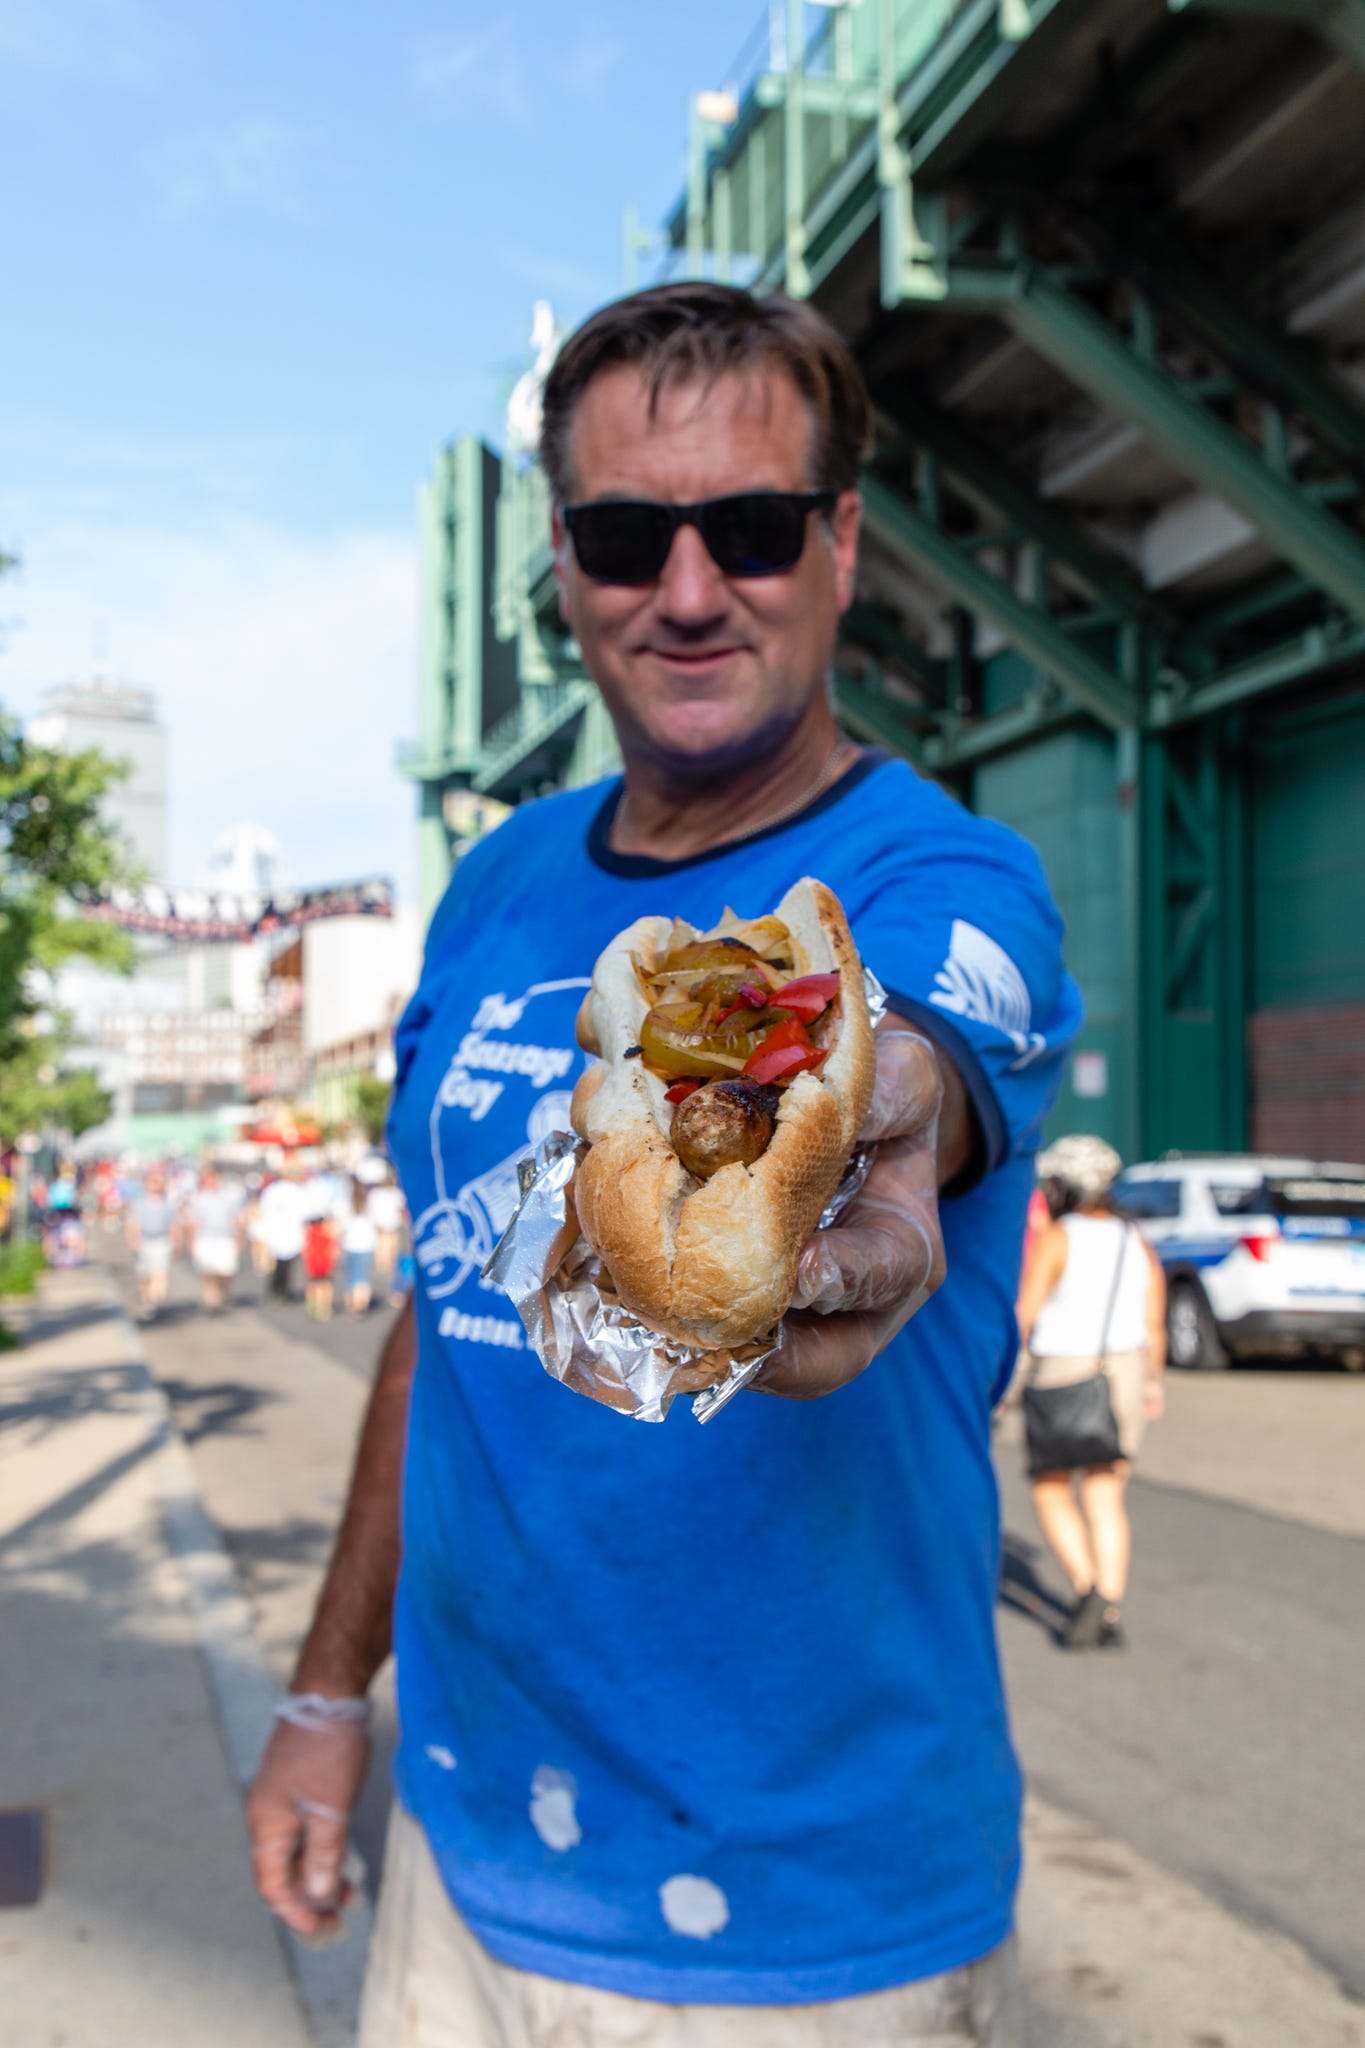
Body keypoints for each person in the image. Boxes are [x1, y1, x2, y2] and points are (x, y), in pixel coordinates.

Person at [248, 283, 1082, 2048]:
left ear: (843, 542)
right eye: (630, 534)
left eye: (755, 527)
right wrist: (331, 1691)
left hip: (812, 1936)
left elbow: (925, 1040)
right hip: (464, 1860)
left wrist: (875, 1121)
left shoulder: (951, 874)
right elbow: (445, 1316)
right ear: (561, 563)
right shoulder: (496, 885)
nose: (689, 591)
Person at [1014, 1135, 1167, 1650]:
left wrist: (1007, 1380)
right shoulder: (1134, 1238)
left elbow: (1026, 1314)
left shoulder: (1060, 1236)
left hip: (1063, 1370)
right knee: (1107, 1494)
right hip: (1125, 1369)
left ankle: (1090, 1590)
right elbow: (1155, 1320)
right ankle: (1112, 1605)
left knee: (1050, 1488)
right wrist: (1153, 1383)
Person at [184, 1163, 244, 1313]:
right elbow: (194, 1222)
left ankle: (224, 1292)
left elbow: (236, 1219)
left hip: (225, 1238)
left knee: (226, 1270)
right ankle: (211, 1298)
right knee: (208, 1271)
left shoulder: (229, 1197)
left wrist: (240, 1236)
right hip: (206, 1238)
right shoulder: (199, 1199)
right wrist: (191, 1240)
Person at [125, 1164, 175, 1321]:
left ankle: (155, 1300)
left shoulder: (167, 1205)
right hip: (144, 1241)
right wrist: (134, 1241)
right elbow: (133, 1224)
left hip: (161, 1241)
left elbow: (173, 1225)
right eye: (154, 1182)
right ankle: (148, 1299)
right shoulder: (140, 1203)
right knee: (145, 1275)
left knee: (159, 1273)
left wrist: (176, 1242)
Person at [258, 1166, 307, 1299]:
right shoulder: (293, 1191)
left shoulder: (275, 1190)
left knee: (283, 1261)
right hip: (284, 1230)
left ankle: (280, 1287)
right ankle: (280, 1287)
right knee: (285, 1262)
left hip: (284, 1230)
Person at [364, 1168, 405, 1300]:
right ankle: (387, 1266)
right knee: (389, 1246)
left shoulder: (377, 1193)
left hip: (384, 1223)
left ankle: (385, 1266)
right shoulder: (394, 1193)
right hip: (390, 1223)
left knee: (385, 1246)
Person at [340, 1179, 378, 1316]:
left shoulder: (346, 1205)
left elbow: (341, 1227)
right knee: (363, 1277)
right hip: (367, 1245)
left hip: (350, 1244)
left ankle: (352, 1305)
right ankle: (362, 1305)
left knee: (352, 1275)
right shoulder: (371, 1204)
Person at [303, 1207, 339, 1321]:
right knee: (326, 1285)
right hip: (325, 1263)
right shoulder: (328, 1234)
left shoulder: (309, 1233)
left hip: (313, 1263)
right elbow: (333, 1250)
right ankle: (325, 1307)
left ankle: (313, 1304)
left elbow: (306, 1250)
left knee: (313, 1284)